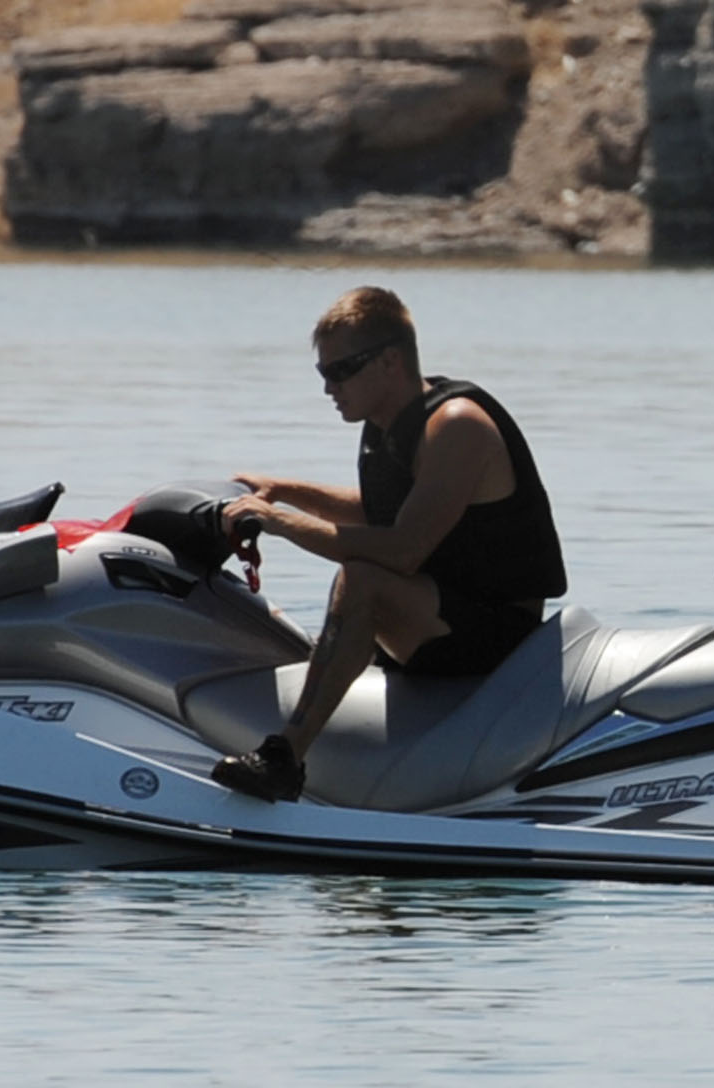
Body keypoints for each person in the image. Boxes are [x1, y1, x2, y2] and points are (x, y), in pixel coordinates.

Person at [210, 285, 566, 802]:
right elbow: (381, 511)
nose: (329, 387)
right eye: (322, 372)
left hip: (498, 634)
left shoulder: (457, 426)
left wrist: (280, 522)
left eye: (340, 371)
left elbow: (402, 549)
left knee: (362, 581)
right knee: (358, 581)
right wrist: (282, 490)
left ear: (390, 362)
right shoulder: (389, 422)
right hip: (442, 609)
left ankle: (285, 758)